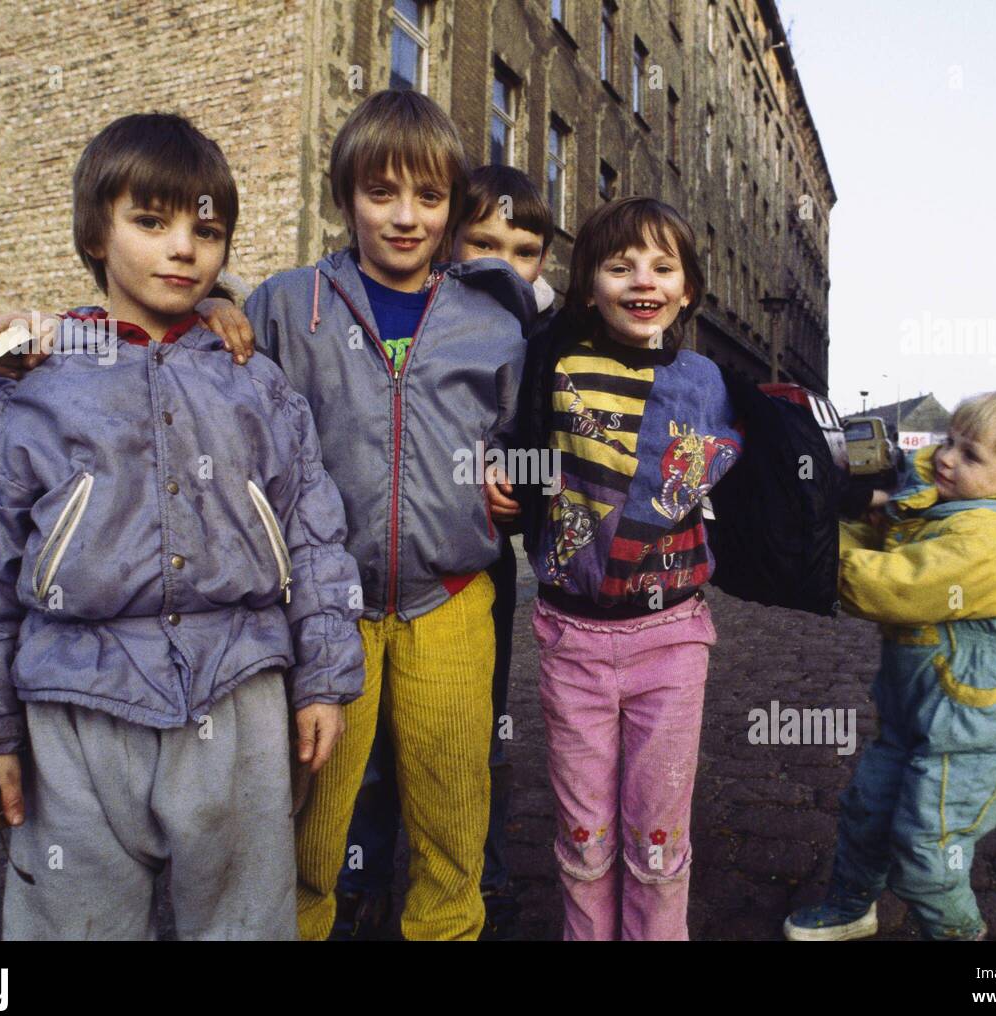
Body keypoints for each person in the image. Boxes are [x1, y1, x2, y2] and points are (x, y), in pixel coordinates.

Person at [0, 112, 364, 940]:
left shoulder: (256, 384)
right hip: (77, 716)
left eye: (207, 228)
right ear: (95, 229)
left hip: (240, 702)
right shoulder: (32, 387)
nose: (182, 247)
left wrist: (325, 677)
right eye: (150, 222)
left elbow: (315, 534)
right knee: (73, 923)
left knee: (247, 922)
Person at [227, 91, 533, 940]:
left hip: (452, 597)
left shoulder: (491, 319)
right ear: (345, 196)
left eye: (429, 198)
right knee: (310, 822)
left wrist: (515, 477)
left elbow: (519, 435)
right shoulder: (288, 306)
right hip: (330, 612)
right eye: (381, 193)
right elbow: (203, 381)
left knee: (451, 814)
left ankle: (447, 926)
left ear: (452, 210)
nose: (405, 217)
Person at [501, 196, 744, 940]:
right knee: (583, 836)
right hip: (571, 638)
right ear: (589, 286)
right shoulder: (558, 360)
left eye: (663, 266)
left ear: (689, 288)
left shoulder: (707, 380)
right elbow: (525, 442)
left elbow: (729, 478)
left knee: (659, 839)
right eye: (620, 265)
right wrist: (504, 479)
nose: (643, 280)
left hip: (670, 639)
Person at [328, 163, 556, 939]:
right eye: (483, 240)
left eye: (521, 249)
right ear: (453, 239)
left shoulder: (539, 333)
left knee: (463, 735)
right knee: (366, 742)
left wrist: (522, 486)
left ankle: (476, 871)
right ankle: (360, 867)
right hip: (365, 573)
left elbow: (544, 450)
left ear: (542, 262)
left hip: (467, 568)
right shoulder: (385, 306)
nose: (500, 261)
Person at [784, 386, 996, 941]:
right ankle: (851, 906)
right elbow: (875, 536)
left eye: (970, 455)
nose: (945, 457)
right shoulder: (937, 510)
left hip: (967, 728)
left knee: (928, 851)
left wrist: (821, 549)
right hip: (907, 714)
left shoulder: (988, 538)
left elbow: (896, 585)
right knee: (866, 814)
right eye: (949, 441)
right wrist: (832, 514)